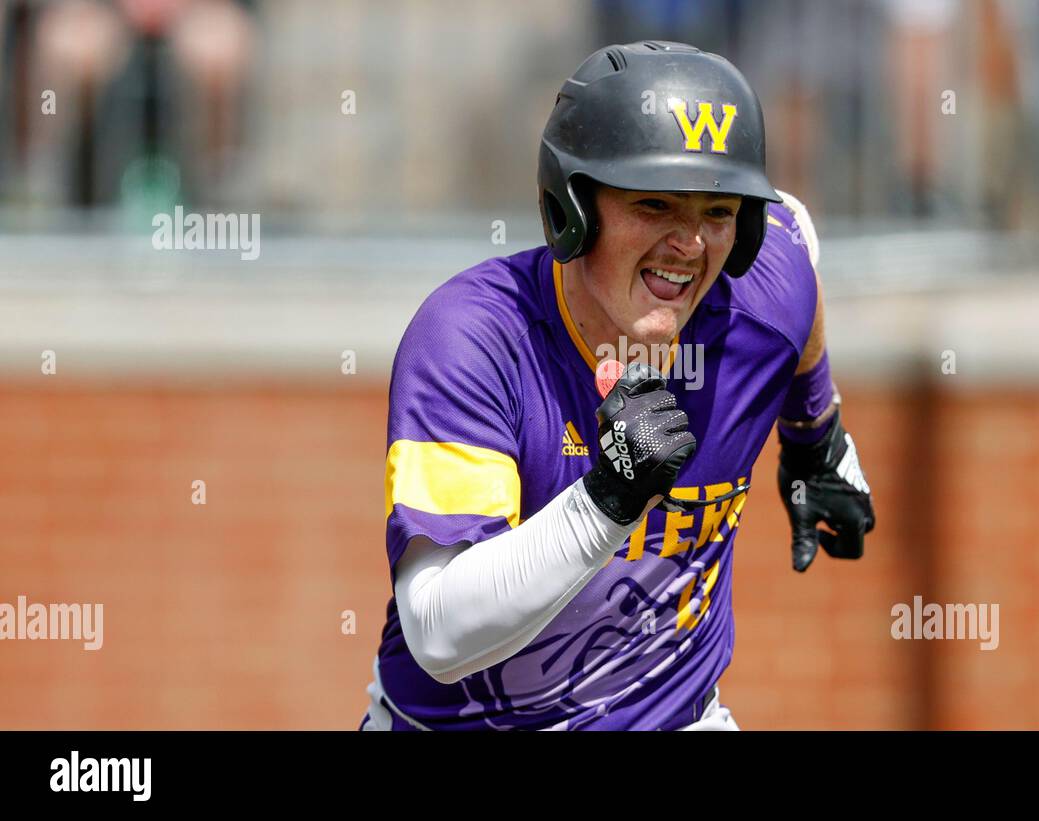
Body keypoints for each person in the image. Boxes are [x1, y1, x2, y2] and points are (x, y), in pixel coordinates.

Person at [361, 40, 874, 731]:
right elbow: (438, 633)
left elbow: (796, 236)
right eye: (655, 204)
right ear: (573, 210)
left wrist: (816, 432)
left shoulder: (763, 294)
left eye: (717, 212)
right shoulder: (472, 340)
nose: (691, 245)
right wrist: (610, 498)